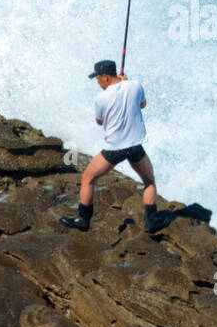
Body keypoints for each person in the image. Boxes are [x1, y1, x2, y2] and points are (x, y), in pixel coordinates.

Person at [60, 59, 164, 232]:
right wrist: (126, 83)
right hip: (135, 146)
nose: (98, 82)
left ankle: (83, 220)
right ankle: (151, 221)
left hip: (115, 149)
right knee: (149, 182)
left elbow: (99, 122)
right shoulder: (135, 85)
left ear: (106, 77)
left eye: (98, 79)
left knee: (88, 179)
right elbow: (142, 104)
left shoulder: (102, 97)